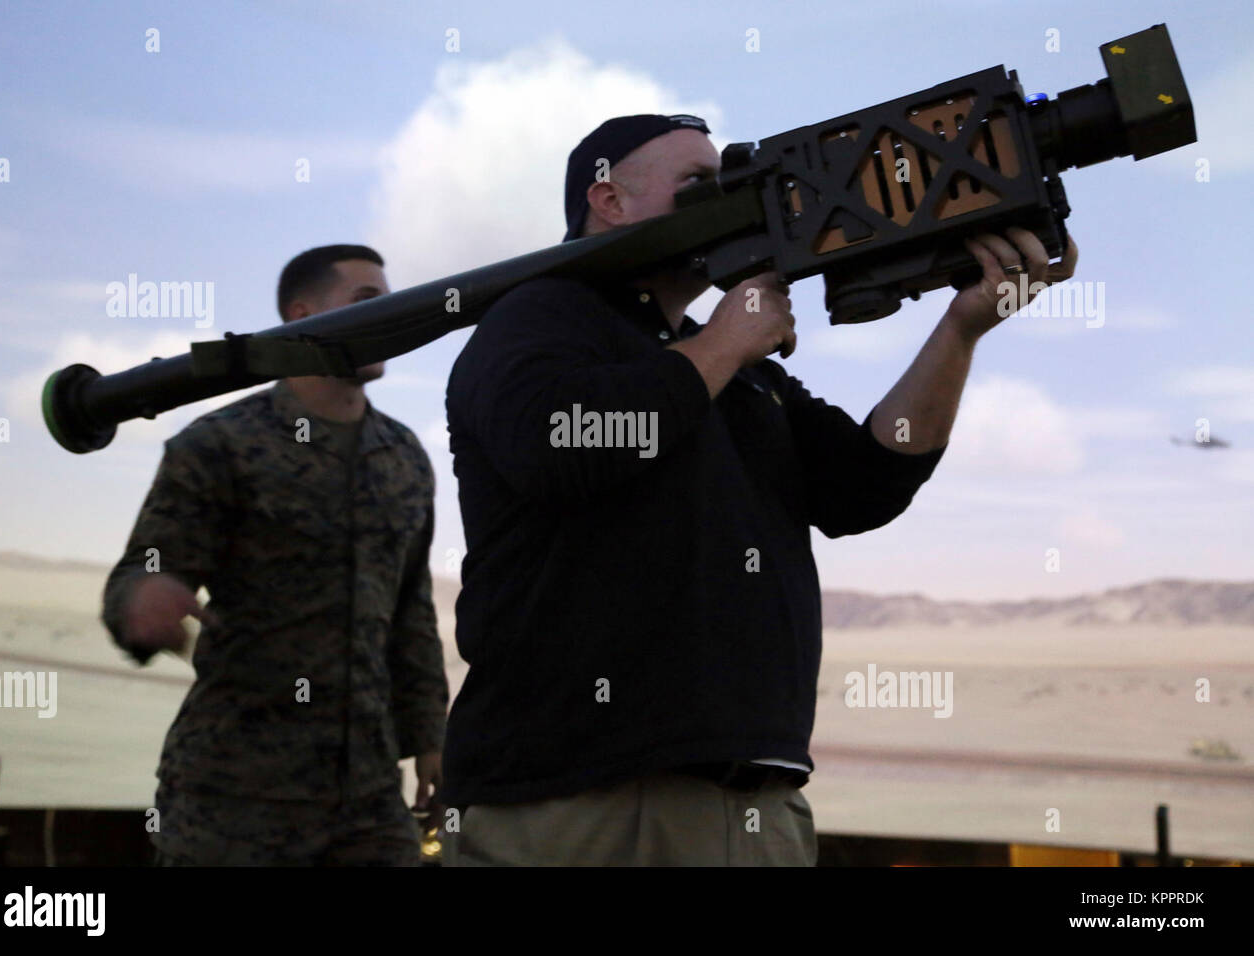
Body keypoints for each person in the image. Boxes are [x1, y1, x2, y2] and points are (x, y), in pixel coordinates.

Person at [441, 114, 1077, 866]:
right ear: (608, 201)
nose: (726, 201)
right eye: (697, 186)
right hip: (583, 800)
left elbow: (866, 483)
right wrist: (725, 341)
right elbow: (563, 445)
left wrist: (961, 330)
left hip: (754, 801)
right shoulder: (543, 315)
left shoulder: (740, 375)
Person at [102, 244, 449, 866]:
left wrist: (430, 737)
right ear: (301, 316)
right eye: (366, 302)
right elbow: (144, 569)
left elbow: (411, 613)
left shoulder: (403, 459)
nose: (388, 317)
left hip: (366, 794)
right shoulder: (220, 446)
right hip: (234, 797)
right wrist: (144, 603)